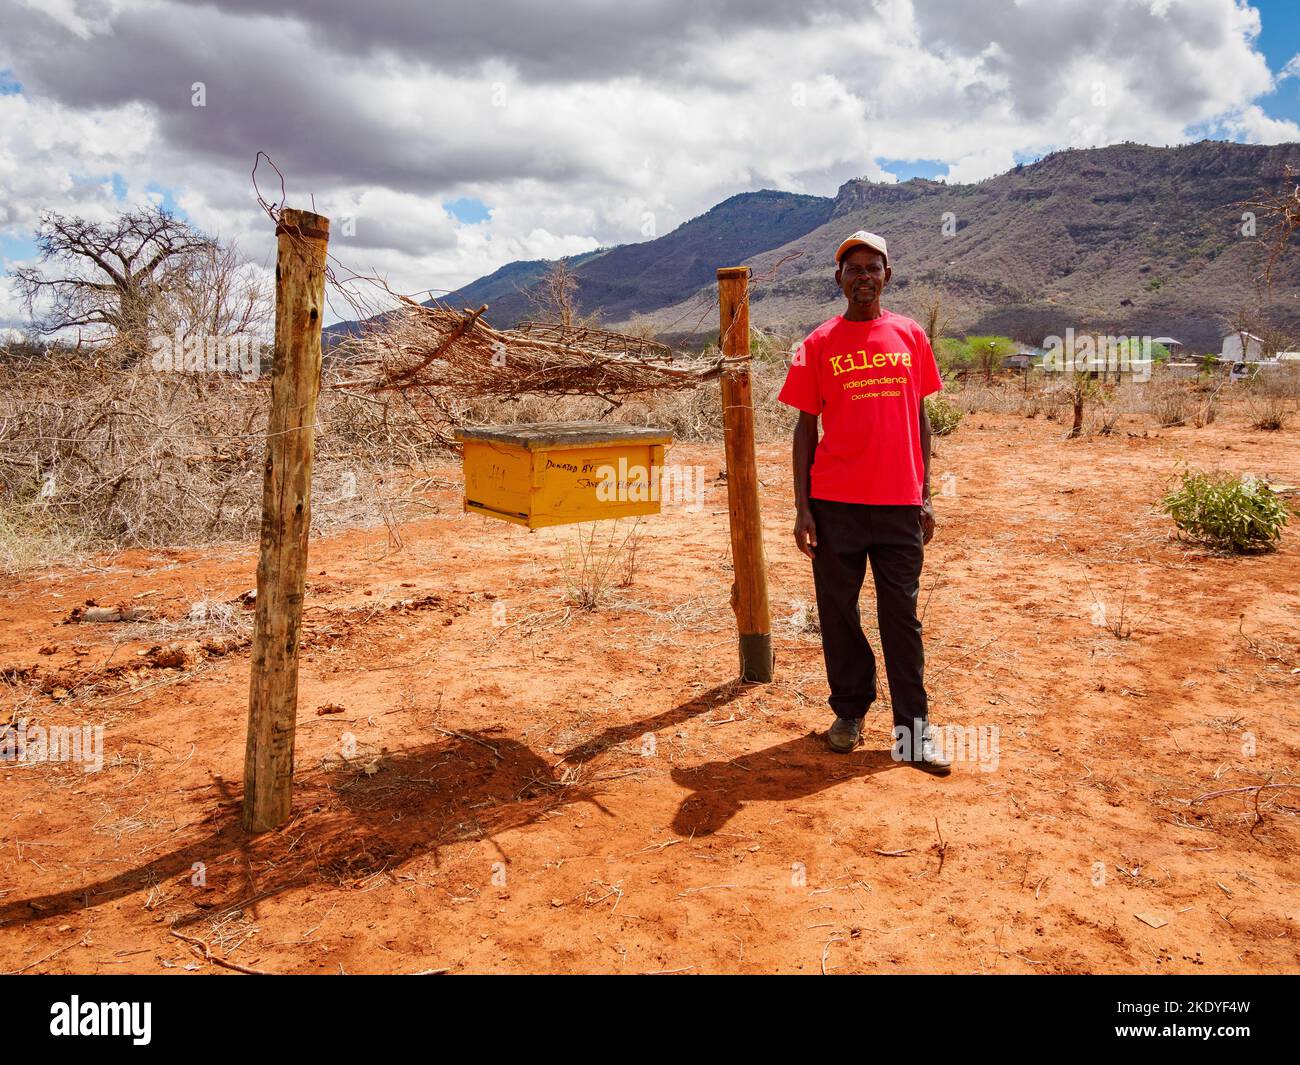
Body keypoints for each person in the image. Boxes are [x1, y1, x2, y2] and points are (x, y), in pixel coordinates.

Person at [778, 230, 951, 774]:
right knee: (838, 614)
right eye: (852, 269)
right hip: (835, 504)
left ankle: (913, 735)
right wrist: (803, 507)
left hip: (900, 504)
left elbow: (921, 419)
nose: (863, 277)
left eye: (872, 268)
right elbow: (806, 430)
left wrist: (924, 494)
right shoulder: (818, 343)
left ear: (887, 277)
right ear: (838, 280)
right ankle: (849, 712)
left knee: (901, 618)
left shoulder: (910, 335)